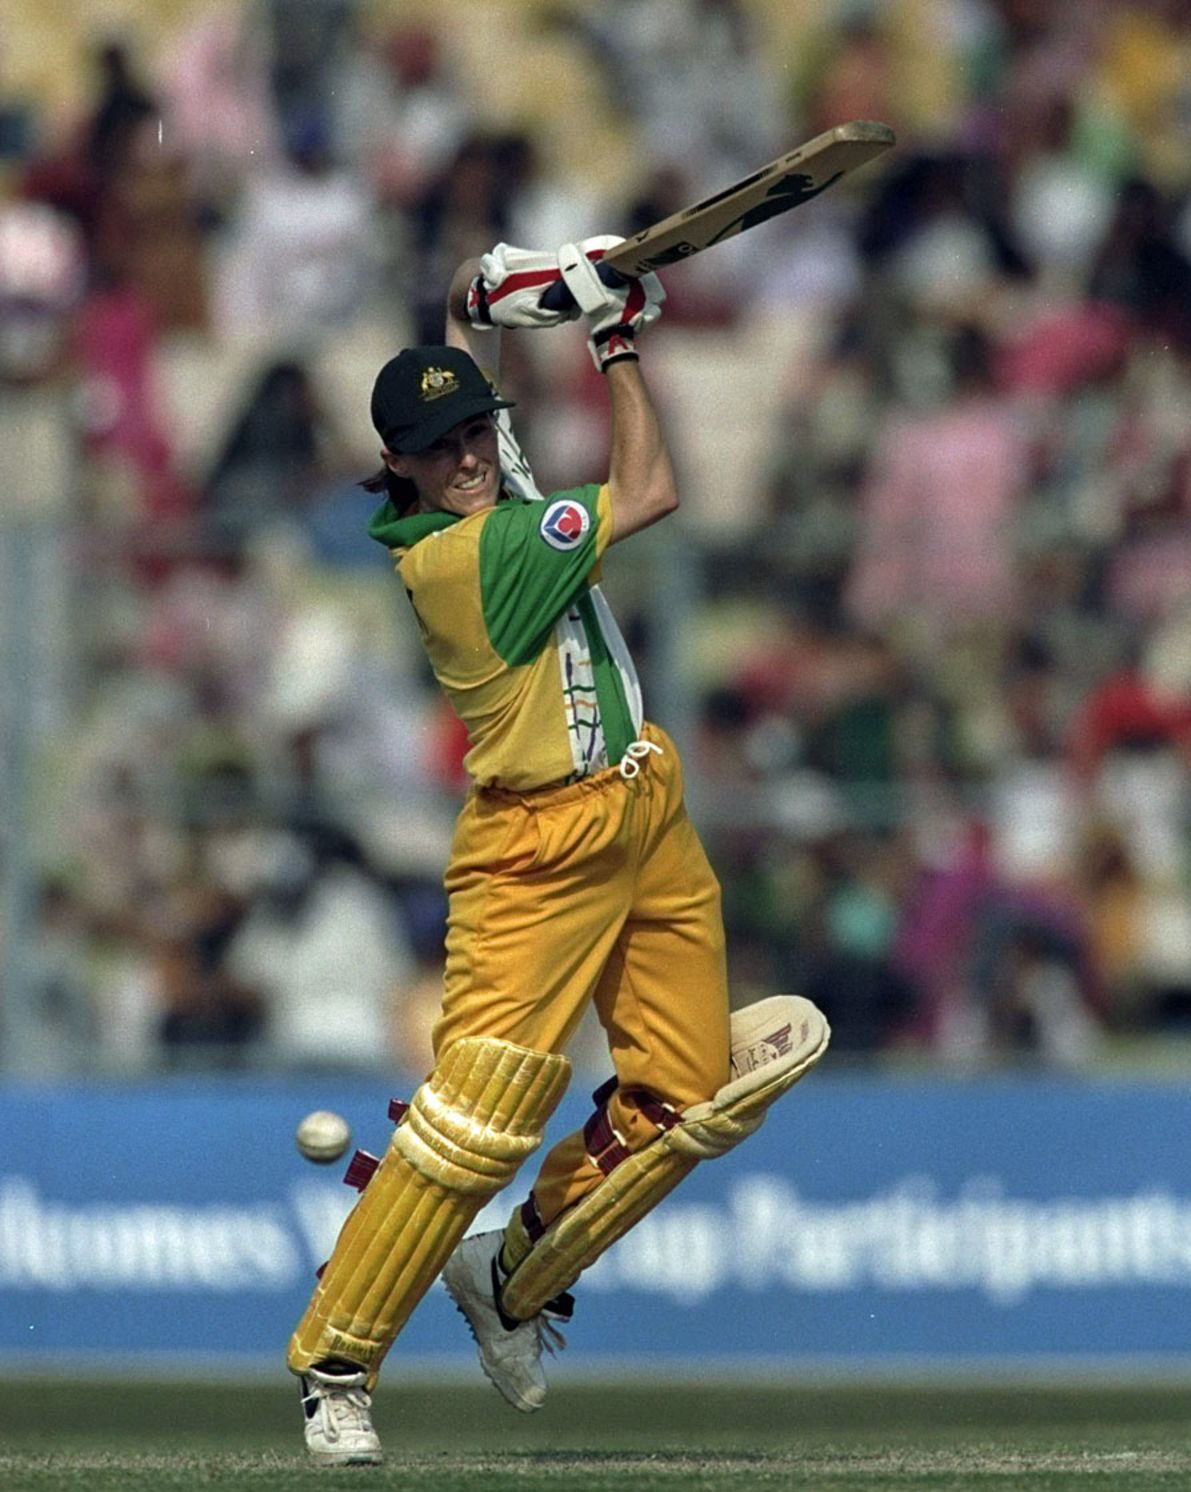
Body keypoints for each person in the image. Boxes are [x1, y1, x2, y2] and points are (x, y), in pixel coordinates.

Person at [285, 238, 831, 1465]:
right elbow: (649, 494)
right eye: (445, 450)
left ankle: (513, 1273)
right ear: (400, 472)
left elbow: (463, 371)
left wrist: (483, 299)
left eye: (480, 433)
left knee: (685, 1097)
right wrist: (616, 336)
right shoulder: (471, 556)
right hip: (536, 854)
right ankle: (336, 1365)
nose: (473, 457)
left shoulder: (492, 493)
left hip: (645, 806)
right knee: (470, 1125)